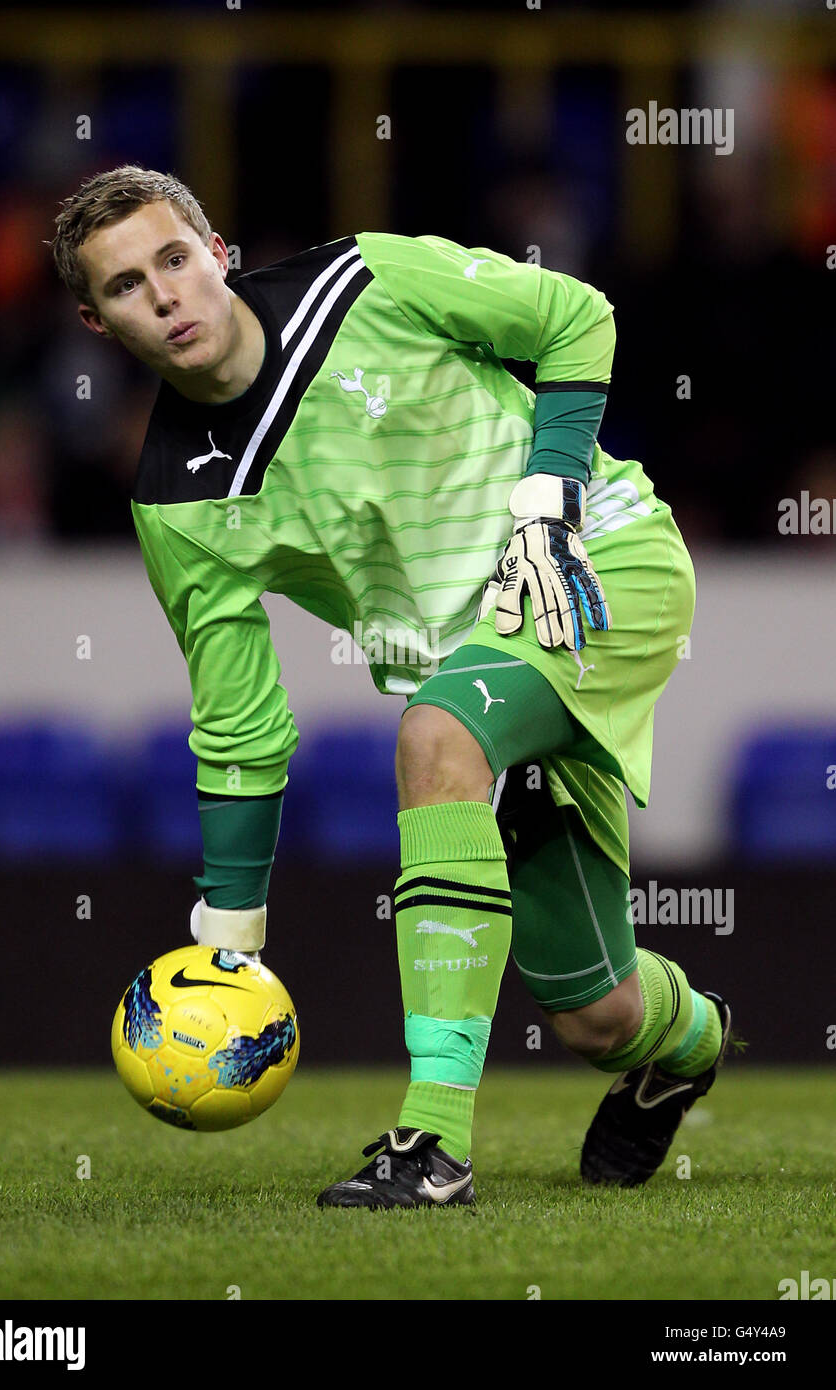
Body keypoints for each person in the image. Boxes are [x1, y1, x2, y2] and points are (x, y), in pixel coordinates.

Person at [51, 164, 731, 1209]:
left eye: (176, 259)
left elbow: (571, 314)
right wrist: (229, 935)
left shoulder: (366, 282)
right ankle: (686, 1044)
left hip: (595, 562)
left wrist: (549, 491)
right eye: (128, 286)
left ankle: (432, 1147)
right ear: (97, 323)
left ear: (218, 252)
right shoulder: (176, 504)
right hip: (475, 660)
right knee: (591, 1008)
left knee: (433, 733)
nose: (167, 295)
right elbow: (240, 723)